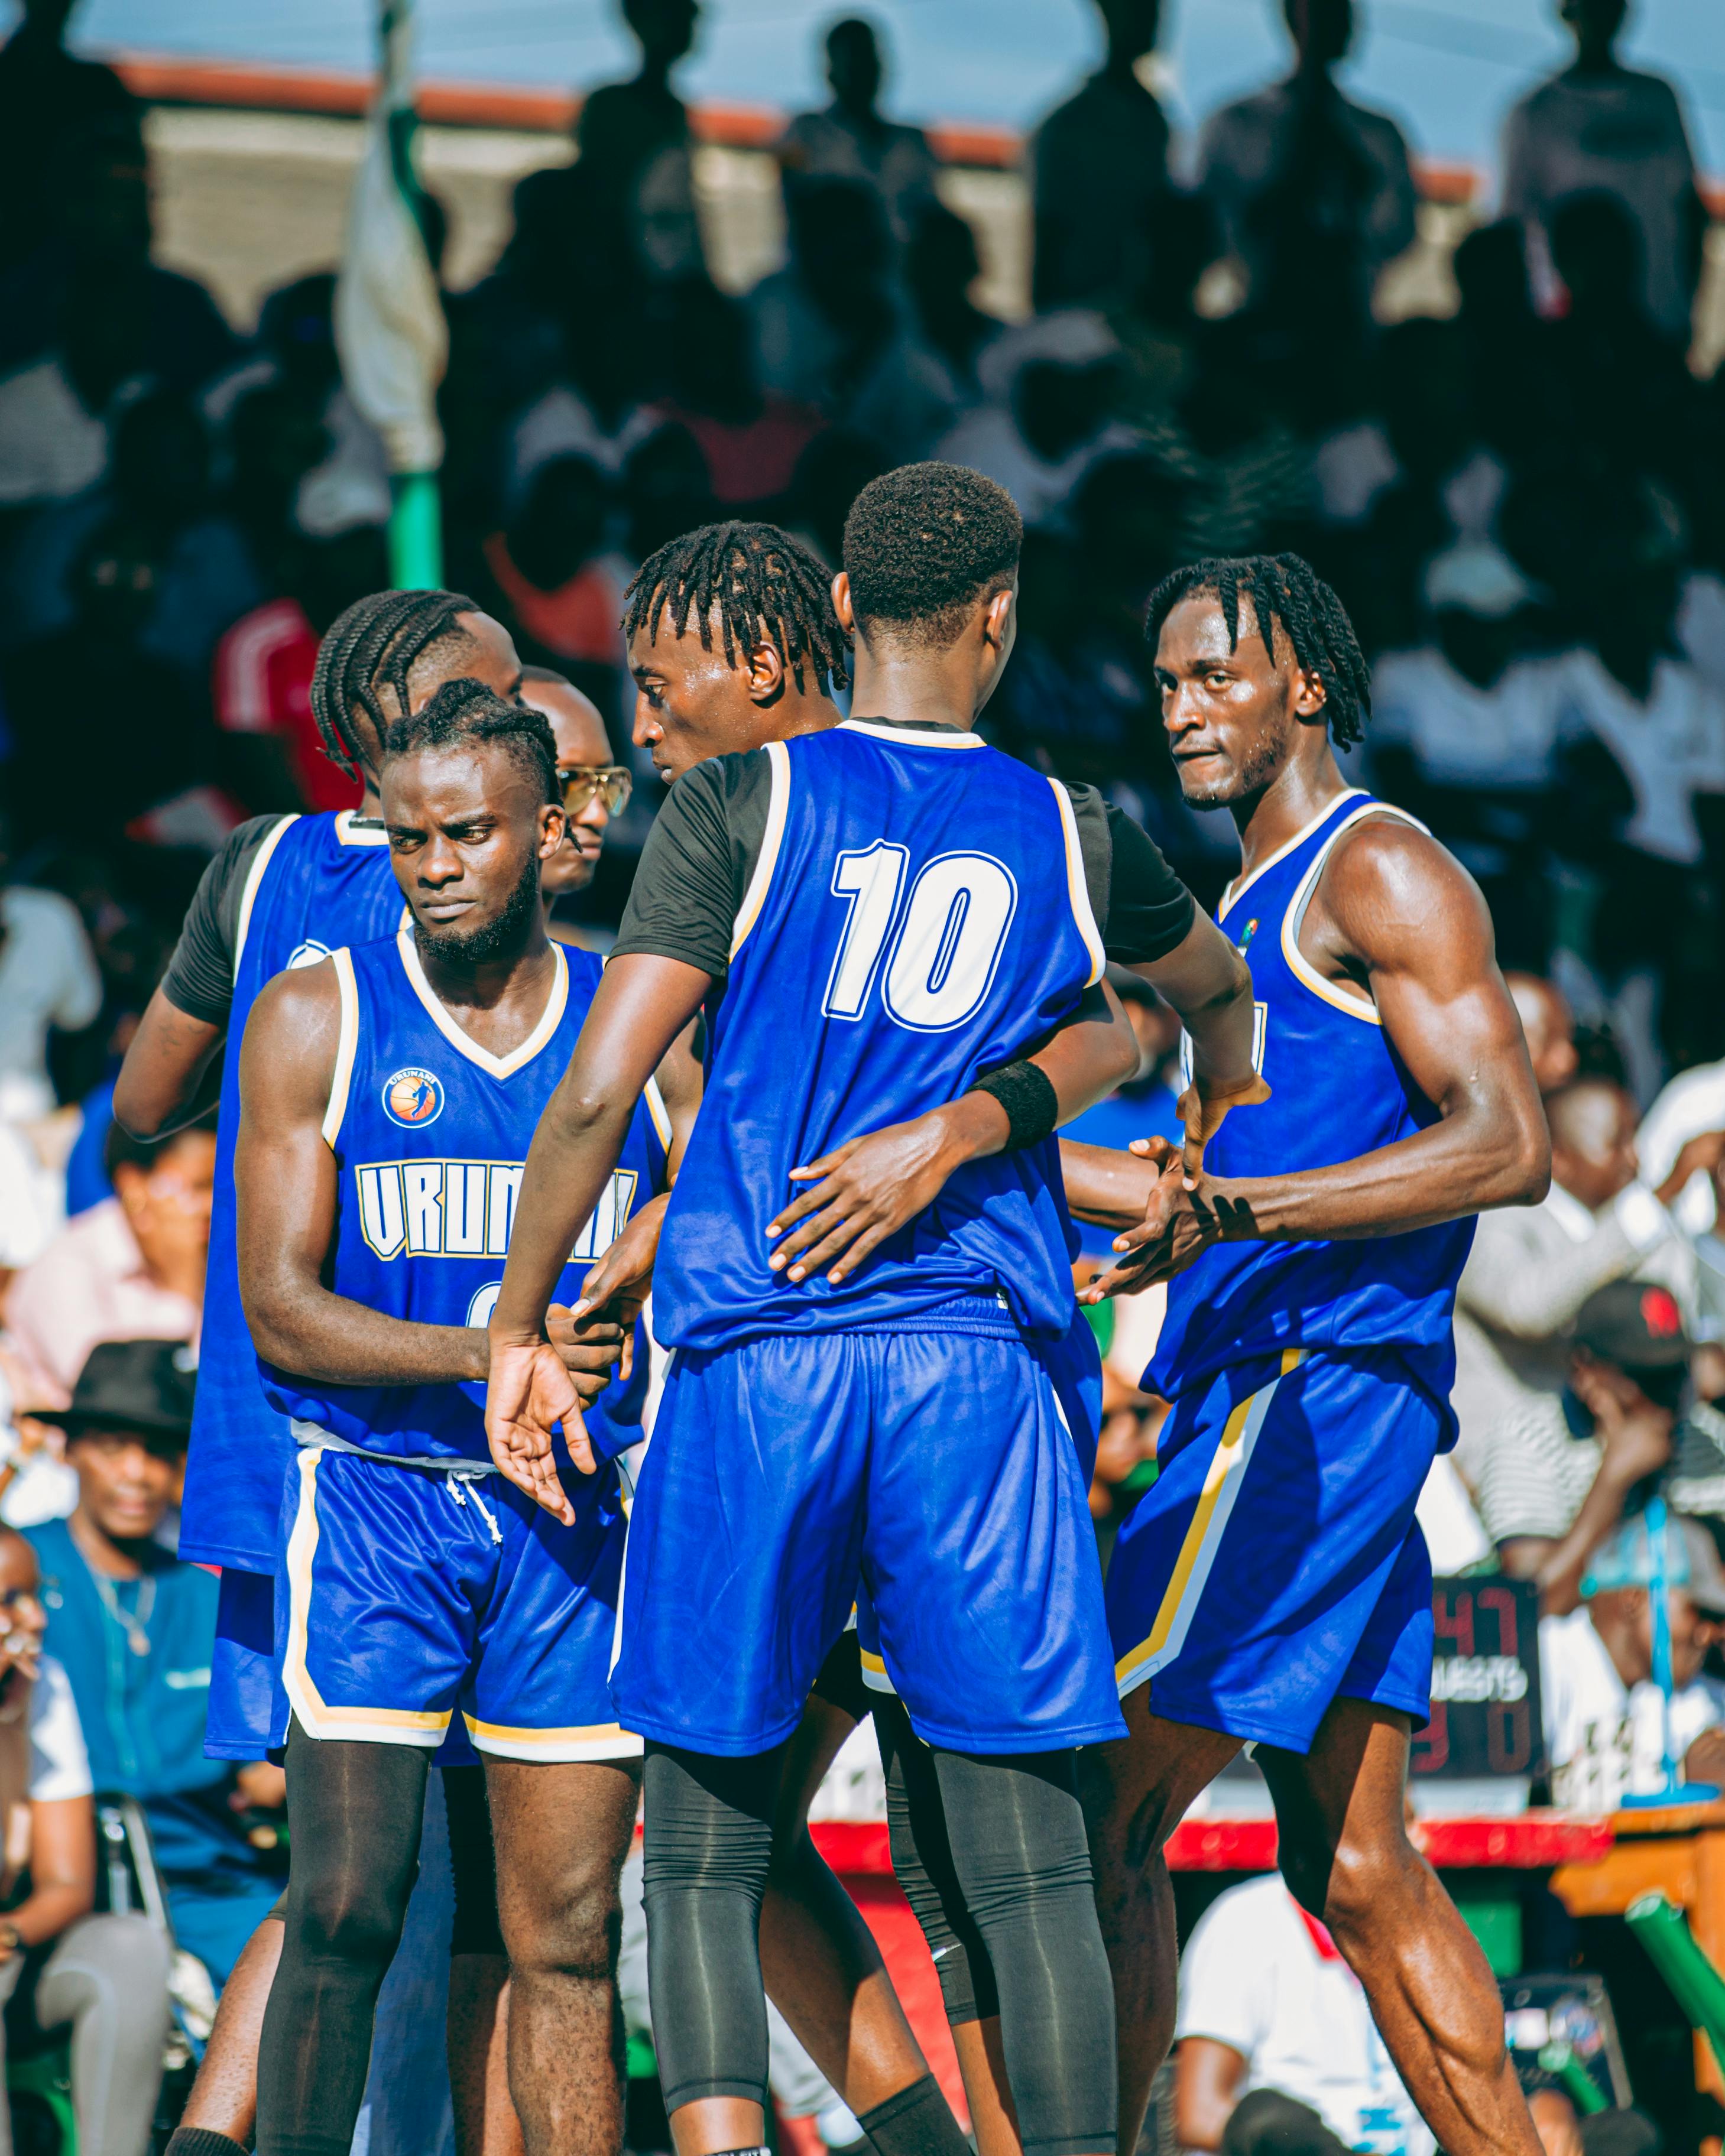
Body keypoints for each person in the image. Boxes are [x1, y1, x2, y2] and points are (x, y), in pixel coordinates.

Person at [485, 462, 1264, 2156]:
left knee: (698, 1848)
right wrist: (1162, 1132)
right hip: (973, 1377)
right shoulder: (1070, 826)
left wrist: (517, 1329)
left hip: (761, 1359)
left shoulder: (740, 806)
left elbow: (592, 1095)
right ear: (998, 619)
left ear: (838, 611)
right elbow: (1194, 1001)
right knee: (1028, 1864)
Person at [1069, 553, 1549, 2156]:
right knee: (1353, 1867)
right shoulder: (1241, 910)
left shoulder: (1377, 870)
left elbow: (1506, 1146)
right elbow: (1209, 1193)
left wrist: (1237, 1213)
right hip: (1286, 1389)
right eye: (1164, 683)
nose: (1183, 709)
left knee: (1096, 1800)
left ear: (1307, 686)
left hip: (1309, 1397)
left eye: (1216, 674)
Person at [111, 589, 531, 2156]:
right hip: (393, 1434)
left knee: (345, 1884)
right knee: (448, 1888)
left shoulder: (262, 870)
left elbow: (145, 1099)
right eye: (487, 700)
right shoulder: (496, 883)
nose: (521, 719)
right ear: (396, 738)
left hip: (285, 1436)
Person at [237, 681, 670, 2156]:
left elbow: (728, 1181)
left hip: (570, 1517)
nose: (434, 865)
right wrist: (498, 1351)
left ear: (550, 831)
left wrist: (648, 1251)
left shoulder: (636, 1014)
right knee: (348, 1909)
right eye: (409, 836)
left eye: (469, 833)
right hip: (374, 1503)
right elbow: (279, 1309)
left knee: (564, 1941)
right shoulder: (319, 1012)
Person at [28, 1340, 284, 1990]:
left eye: (160, 1452)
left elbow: (260, 1768)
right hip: (60, 1883)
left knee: (303, 1973)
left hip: (209, 1881)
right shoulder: (22, 1571)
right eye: (114, 1447)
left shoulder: (207, 1592)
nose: (138, 1475)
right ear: (71, 1449)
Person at [1452, 1080, 1710, 1570]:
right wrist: (1662, 1196)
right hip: (1508, 1478)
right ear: (1561, 1157)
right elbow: (1529, 1305)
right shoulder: (1493, 1222)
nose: (1635, 1158)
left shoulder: (1624, 1226)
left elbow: (1671, 1321)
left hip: (1622, 1454)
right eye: (1615, 1142)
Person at [0, 1519, 173, 2156]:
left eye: (34, 1595)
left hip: (16, 1953)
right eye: (7, 1601)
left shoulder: (44, 1689)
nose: (35, 1620)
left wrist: (11, 1934)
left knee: (131, 1945)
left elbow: (68, 1884)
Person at [1196, 0, 1416, 335]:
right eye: (1319, 10)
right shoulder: (1237, 124)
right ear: (1289, 18)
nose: (1334, 22)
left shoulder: (1377, 136)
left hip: (1347, 324)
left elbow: (1399, 233)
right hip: (1257, 318)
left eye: (1341, 11)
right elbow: (1208, 225)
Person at [1173, 1872, 1429, 2156]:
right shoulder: (1250, 1919)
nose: (1423, 1840)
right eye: (1406, 1827)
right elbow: (1200, 2115)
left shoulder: (1419, 1924)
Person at [1502, 0, 1704, 345]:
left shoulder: (1658, 99)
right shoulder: (1538, 112)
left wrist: (1687, 306)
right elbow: (1512, 227)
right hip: (1570, 331)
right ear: (1567, 13)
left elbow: (1689, 208)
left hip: (1658, 321)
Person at [5, 1121, 214, 1408]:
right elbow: (119, 1392)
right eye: (200, 1186)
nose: (213, 1205)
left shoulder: (213, 1255)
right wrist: (182, 1290)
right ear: (134, 1187)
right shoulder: (65, 1267)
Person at [1540, 1504, 1725, 1806]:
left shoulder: (1694, 1694)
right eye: (1698, 1612)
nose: (1709, 1634)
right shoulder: (1549, 1661)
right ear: (1633, 1600)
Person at [1029, 0, 1170, 312]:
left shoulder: (1152, 122)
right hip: (1080, 316)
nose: (1156, 21)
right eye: (1142, 9)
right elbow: (1050, 239)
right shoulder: (1071, 125)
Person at [779, 18, 939, 254]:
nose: (864, 72)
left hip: (899, 282)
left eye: (869, 60)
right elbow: (797, 203)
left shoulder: (913, 144)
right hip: (822, 277)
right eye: (852, 62)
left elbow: (931, 218)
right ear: (831, 72)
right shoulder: (804, 133)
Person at [574, 0, 705, 282]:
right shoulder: (611, 105)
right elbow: (607, 194)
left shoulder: (675, 111)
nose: (688, 29)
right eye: (675, 17)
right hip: (623, 271)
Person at [0, 828, 102, 1124]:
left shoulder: (48, 918)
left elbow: (81, 1017)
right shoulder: (49, 916)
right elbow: (79, 1015)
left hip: (31, 1124)